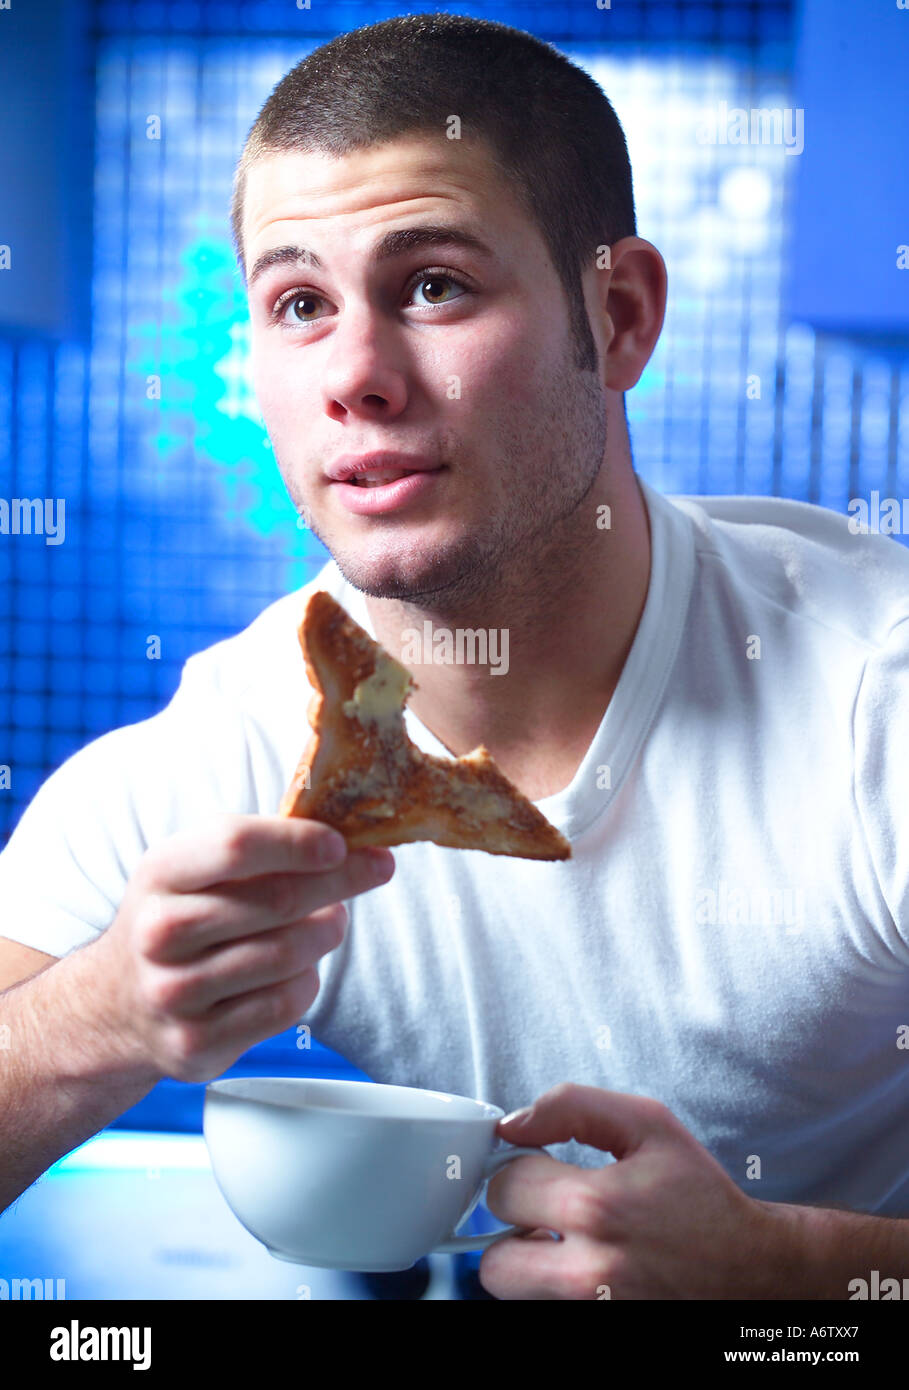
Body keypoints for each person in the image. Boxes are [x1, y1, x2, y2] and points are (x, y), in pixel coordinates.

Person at [1, 12, 908, 1301]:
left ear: (620, 316)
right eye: (300, 304)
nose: (356, 377)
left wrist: (783, 1270)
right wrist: (98, 1017)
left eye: (434, 285)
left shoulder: (874, 700)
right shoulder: (225, 755)